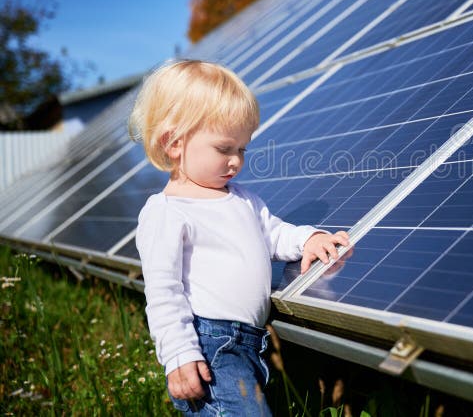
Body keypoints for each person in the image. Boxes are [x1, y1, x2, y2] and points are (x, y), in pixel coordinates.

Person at [129, 59, 349, 415]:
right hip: (208, 345)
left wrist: (307, 239)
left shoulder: (243, 199)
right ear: (174, 143)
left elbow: (274, 234)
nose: (236, 161)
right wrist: (179, 354)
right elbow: (163, 291)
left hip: (250, 343)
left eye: (242, 150)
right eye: (224, 149)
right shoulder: (167, 211)